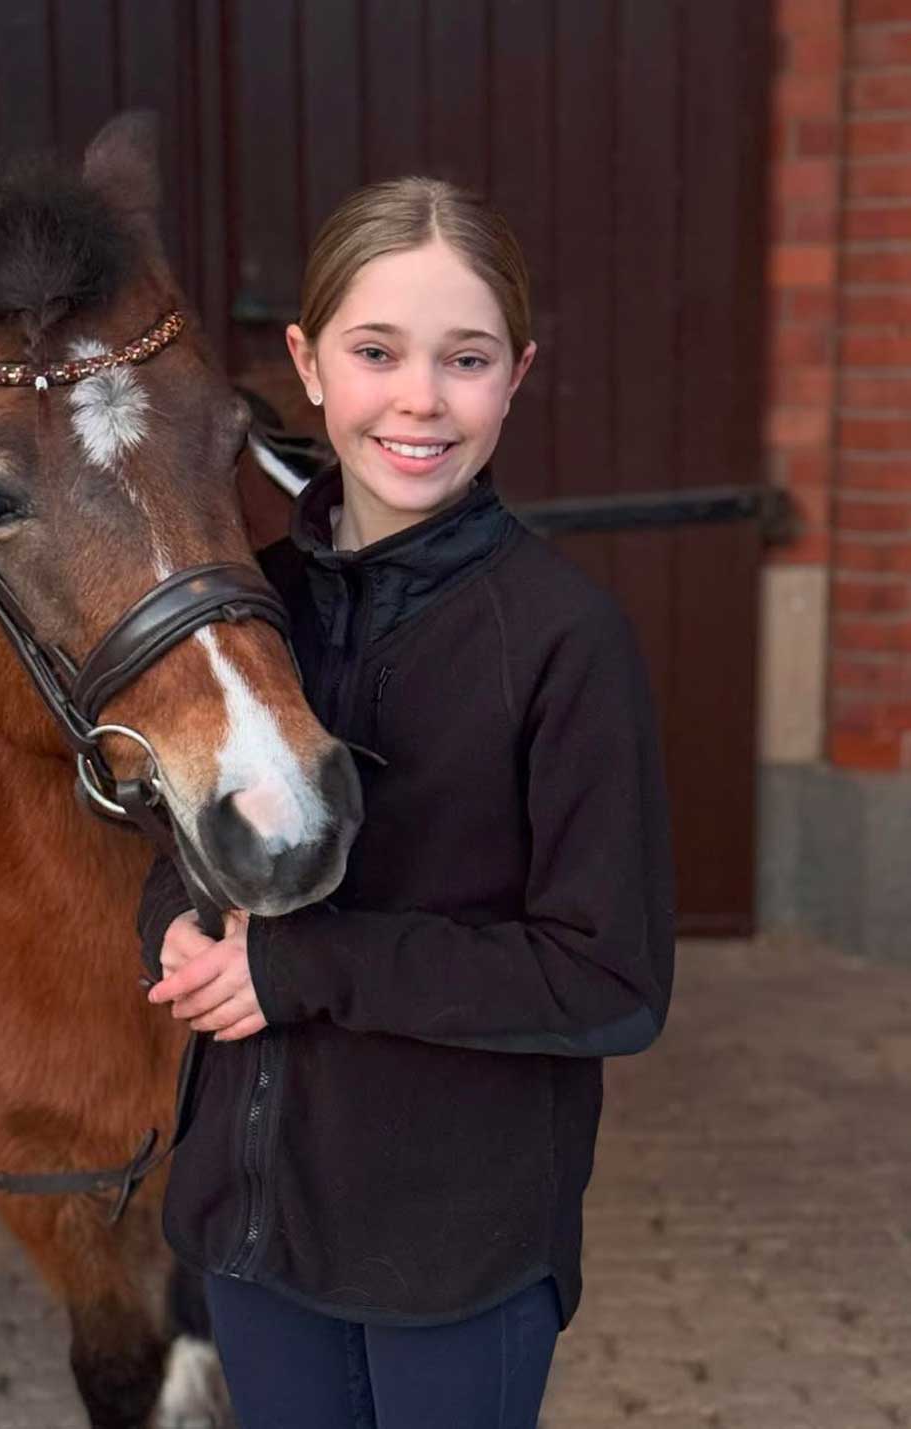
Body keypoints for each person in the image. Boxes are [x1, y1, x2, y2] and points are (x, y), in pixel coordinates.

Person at [139, 176, 675, 1428]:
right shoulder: (242, 611)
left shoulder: (564, 640)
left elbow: (610, 979)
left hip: (457, 1249)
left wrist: (304, 965)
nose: (420, 397)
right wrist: (167, 920)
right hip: (252, 1219)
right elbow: (181, 845)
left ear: (516, 375)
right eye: (375, 351)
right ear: (307, 365)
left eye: (466, 357)